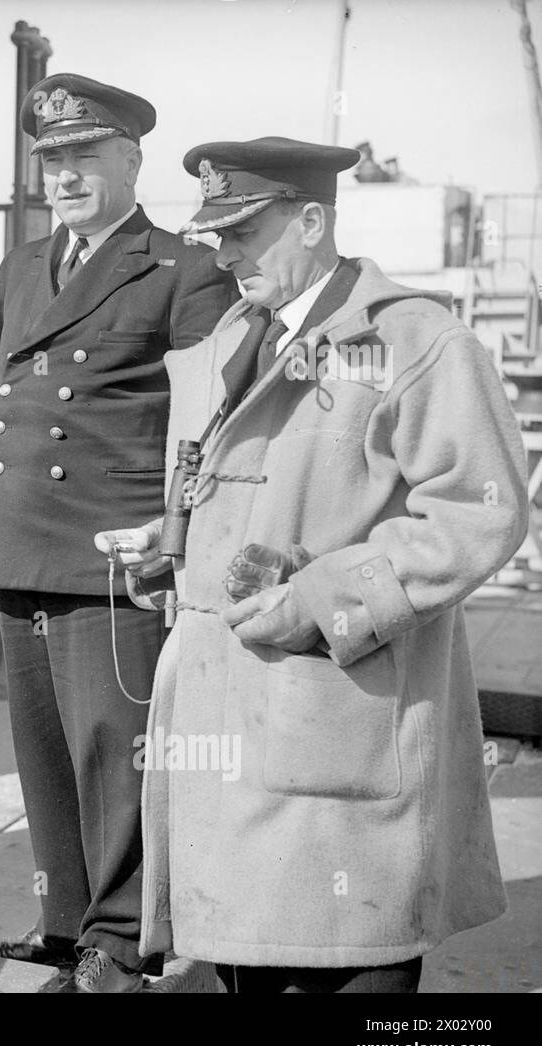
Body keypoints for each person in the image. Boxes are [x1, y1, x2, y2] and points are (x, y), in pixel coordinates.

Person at [98, 136, 529, 993]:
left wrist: (323, 598)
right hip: (233, 735)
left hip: (338, 725)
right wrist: (175, 547)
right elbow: (247, 490)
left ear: (311, 219)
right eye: (215, 235)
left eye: (242, 233)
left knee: (344, 963)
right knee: (246, 961)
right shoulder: (231, 340)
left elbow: (480, 514)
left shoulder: (415, 341)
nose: (223, 256)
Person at [0, 73, 235, 993]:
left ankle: (121, 943)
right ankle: (59, 926)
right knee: (43, 756)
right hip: (18, 544)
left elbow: (210, 420)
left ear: (130, 160)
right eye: (54, 161)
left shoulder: (183, 267)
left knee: (112, 756)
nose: (67, 177)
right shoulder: (19, 266)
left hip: (109, 554)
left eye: (85, 157)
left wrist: (177, 527)